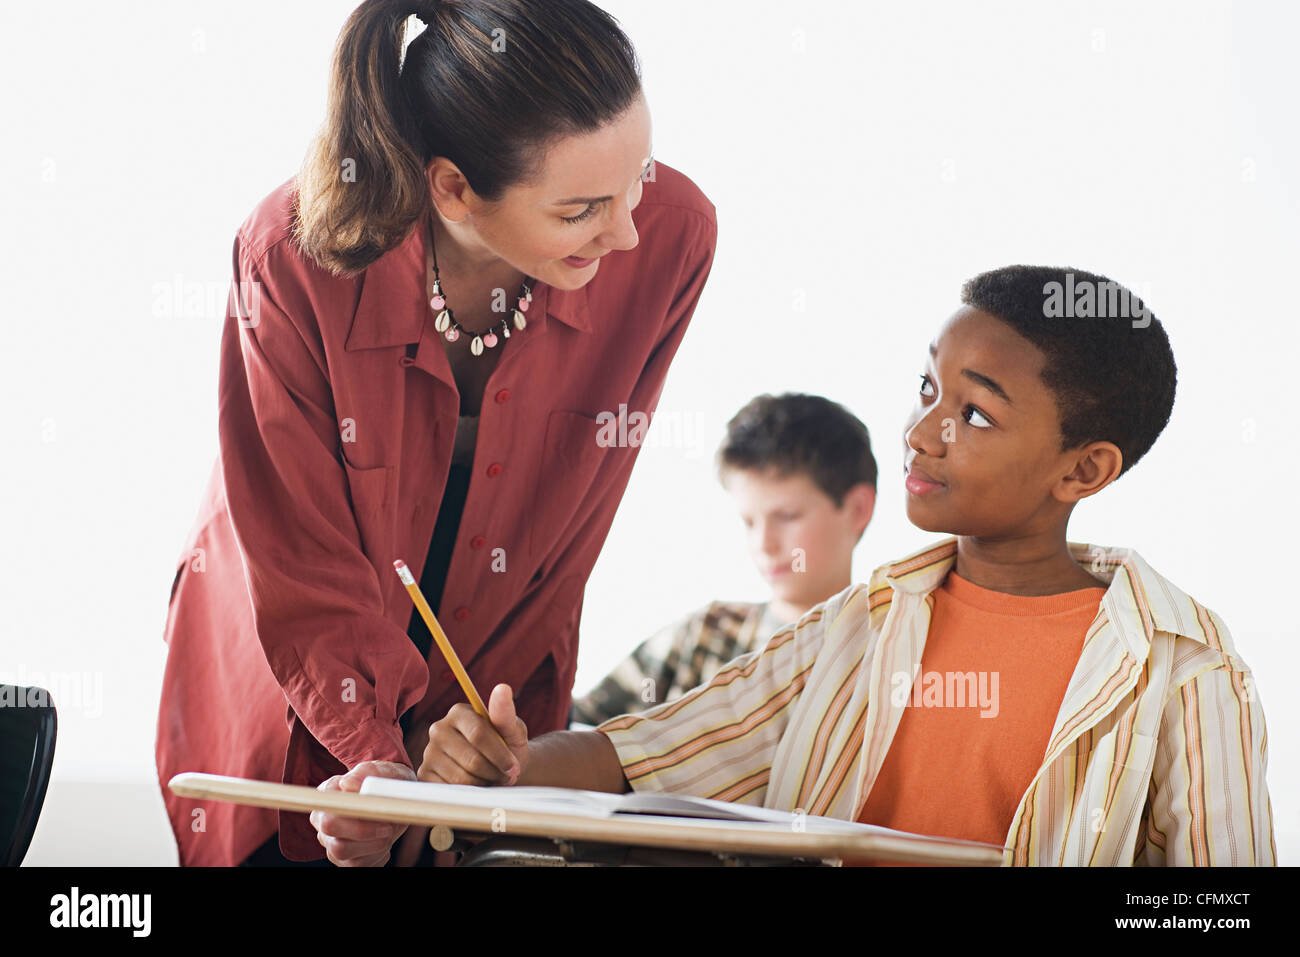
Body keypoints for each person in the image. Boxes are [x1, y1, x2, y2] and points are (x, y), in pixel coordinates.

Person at [412, 265, 1276, 866]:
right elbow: (636, 755)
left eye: (974, 415)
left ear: (1083, 470)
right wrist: (509, 763)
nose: (920, 431)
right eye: (928, 389)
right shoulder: (860, 627)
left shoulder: (1181, 666)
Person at [155, 0, 718, 867]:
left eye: (637, 178)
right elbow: (301, 556)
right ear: (450, 186)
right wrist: (372, 751)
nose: (627, 230)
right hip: (297, 643)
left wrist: (493, 734)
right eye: (581, 210)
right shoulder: (291, 256)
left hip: (487, 632)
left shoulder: (671, 237)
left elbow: (575, 520)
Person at [571, 393, 876, 726]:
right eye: (749, 522)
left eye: (787, 516)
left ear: (858, 509)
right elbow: (572, 726)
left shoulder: (885, 656)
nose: (764, 544)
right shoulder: (702, 636)